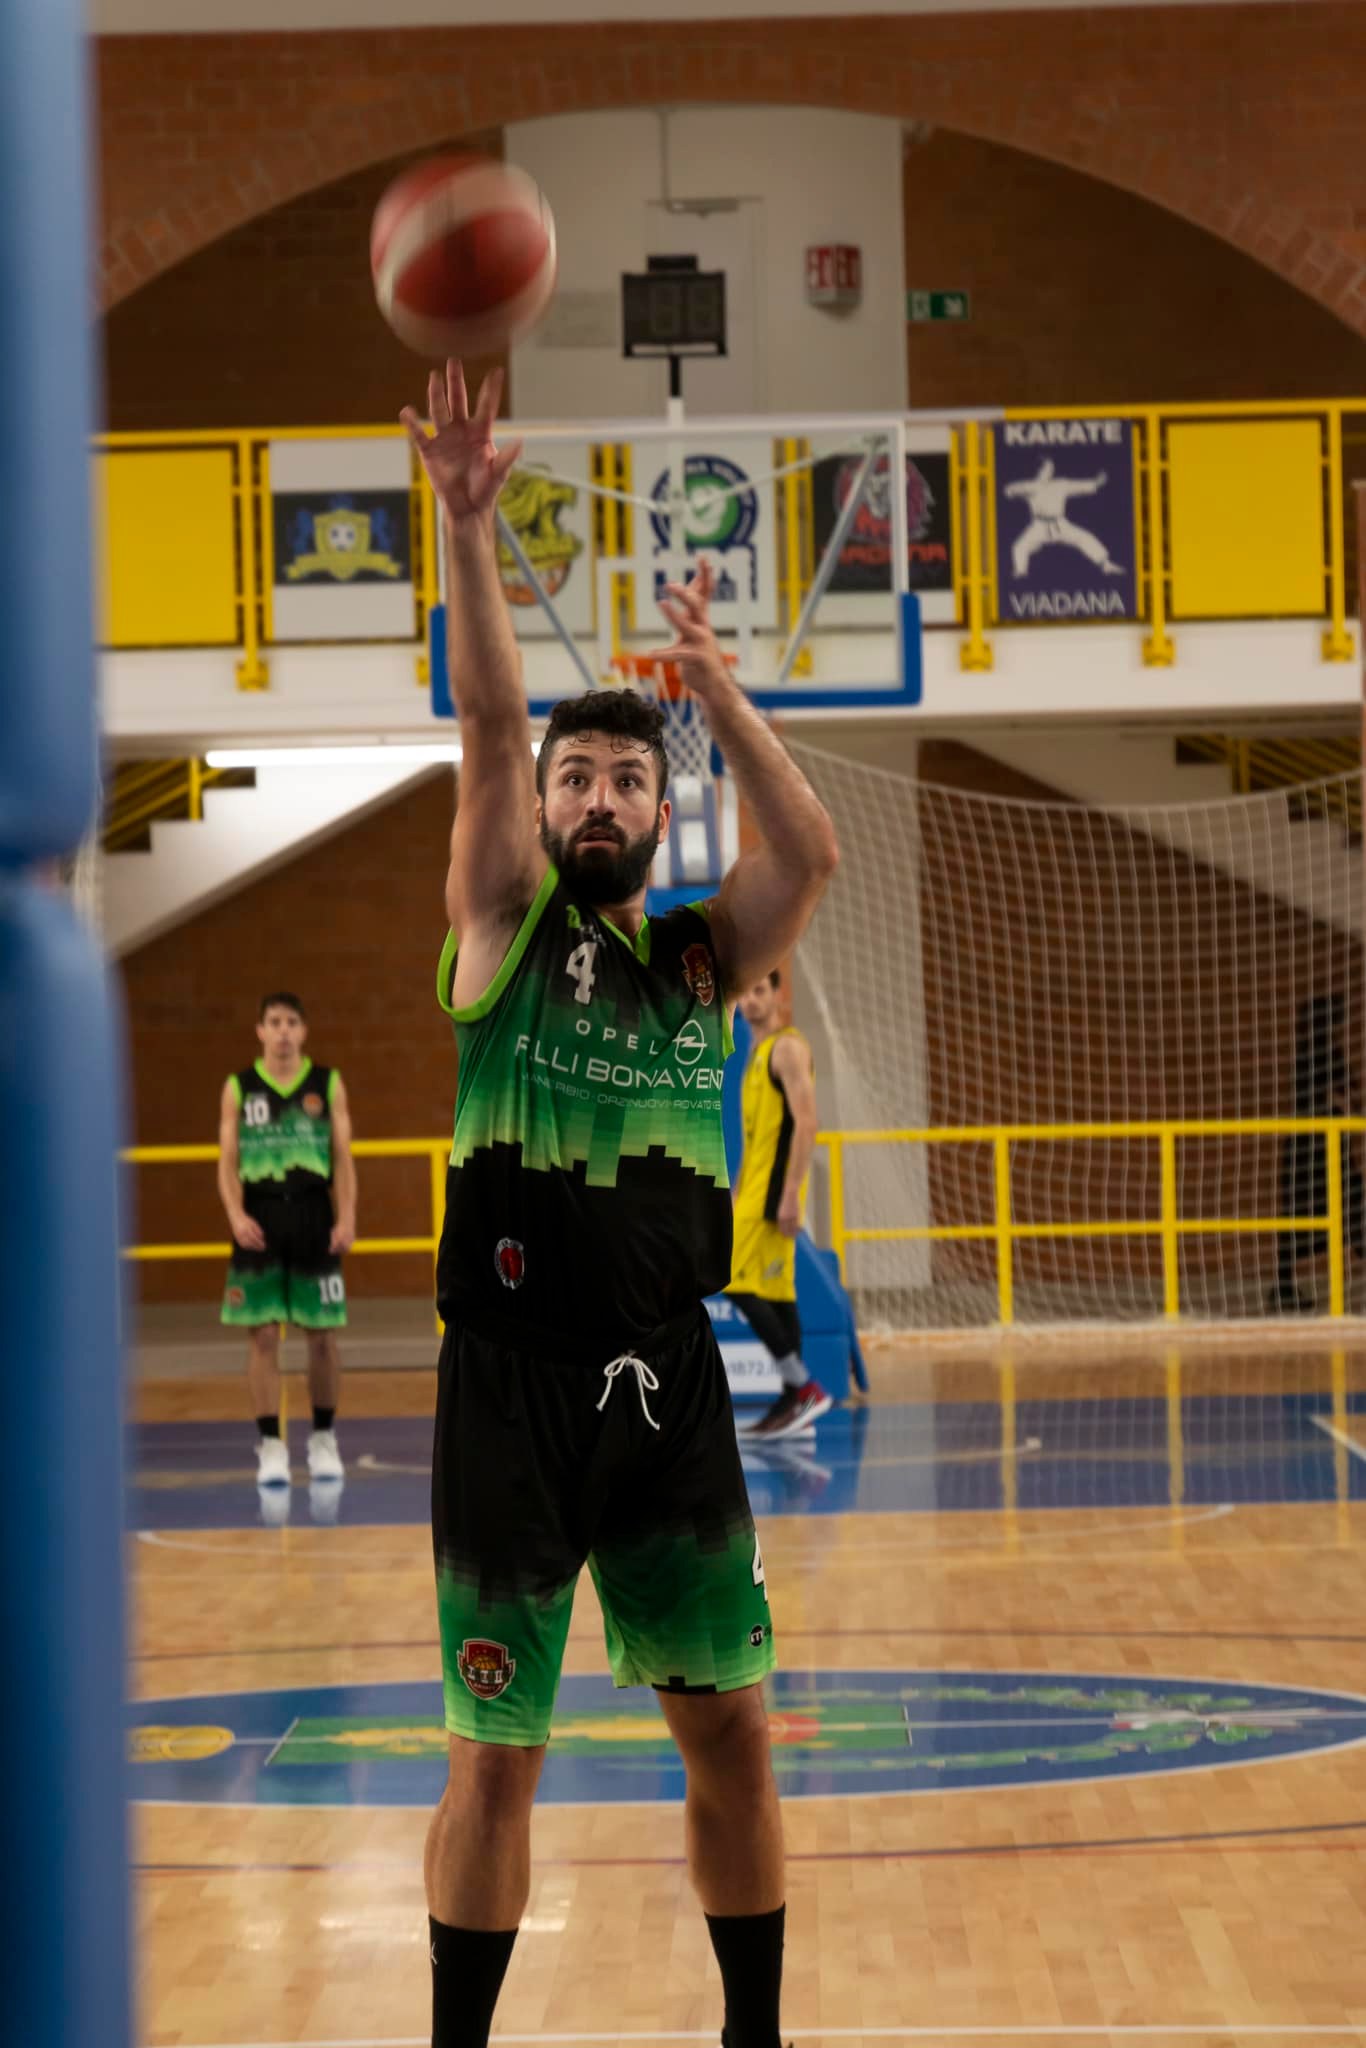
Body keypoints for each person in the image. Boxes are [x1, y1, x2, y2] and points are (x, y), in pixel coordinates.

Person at [402, 360, 838, 2048]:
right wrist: (463, 525)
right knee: (490, 1750)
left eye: (624, 782)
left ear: (663, 816)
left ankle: (753, 2034)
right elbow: (493, 727)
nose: (594, 795)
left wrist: (715, 690)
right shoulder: (501, 927)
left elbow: (805, 856)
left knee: (726, 1729)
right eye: (577, 778)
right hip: (504, 1389)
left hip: (663, 1387)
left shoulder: (702, 959)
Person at [217, 991, 356, 1486]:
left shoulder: (327, 1084)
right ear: (259, 1030)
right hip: (260, 1219)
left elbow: (342, 1159)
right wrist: (235, 1214)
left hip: (315, 1217)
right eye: (273, 1022)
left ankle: (323, 1438)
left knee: (322, 1336)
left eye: (290, 1022)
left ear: (303, 1030)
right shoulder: (239, 1088)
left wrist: (347, 1217)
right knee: (263, 1336)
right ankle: (270, 1444)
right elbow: (227, 1161)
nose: (281, 1031)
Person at [727, 969, 831, 1440]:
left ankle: (801, 1385)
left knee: (732, 1280)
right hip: (754, 1191)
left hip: (775, 1195)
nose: (750, 1001)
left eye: (759, 991)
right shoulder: (755, 1052)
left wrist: (791, 1193)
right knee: (776, 1292)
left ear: (777, 995)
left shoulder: (788, 1048)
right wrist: (736, 1190)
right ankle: (795, 1398)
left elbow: (807, 1123)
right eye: (744, 992)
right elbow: (755, 1137)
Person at [1270, 992, 1363, 1311]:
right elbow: (1336, 1098)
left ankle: (1282, 1286)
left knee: (1348, 1205)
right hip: (1315, 1148)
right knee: (1335, 1207)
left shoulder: (1320, 1053)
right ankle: (1282, 1288)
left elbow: (1348, 1095)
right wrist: (1344, 1104)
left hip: (1320, 1146)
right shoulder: (1316, 1054)